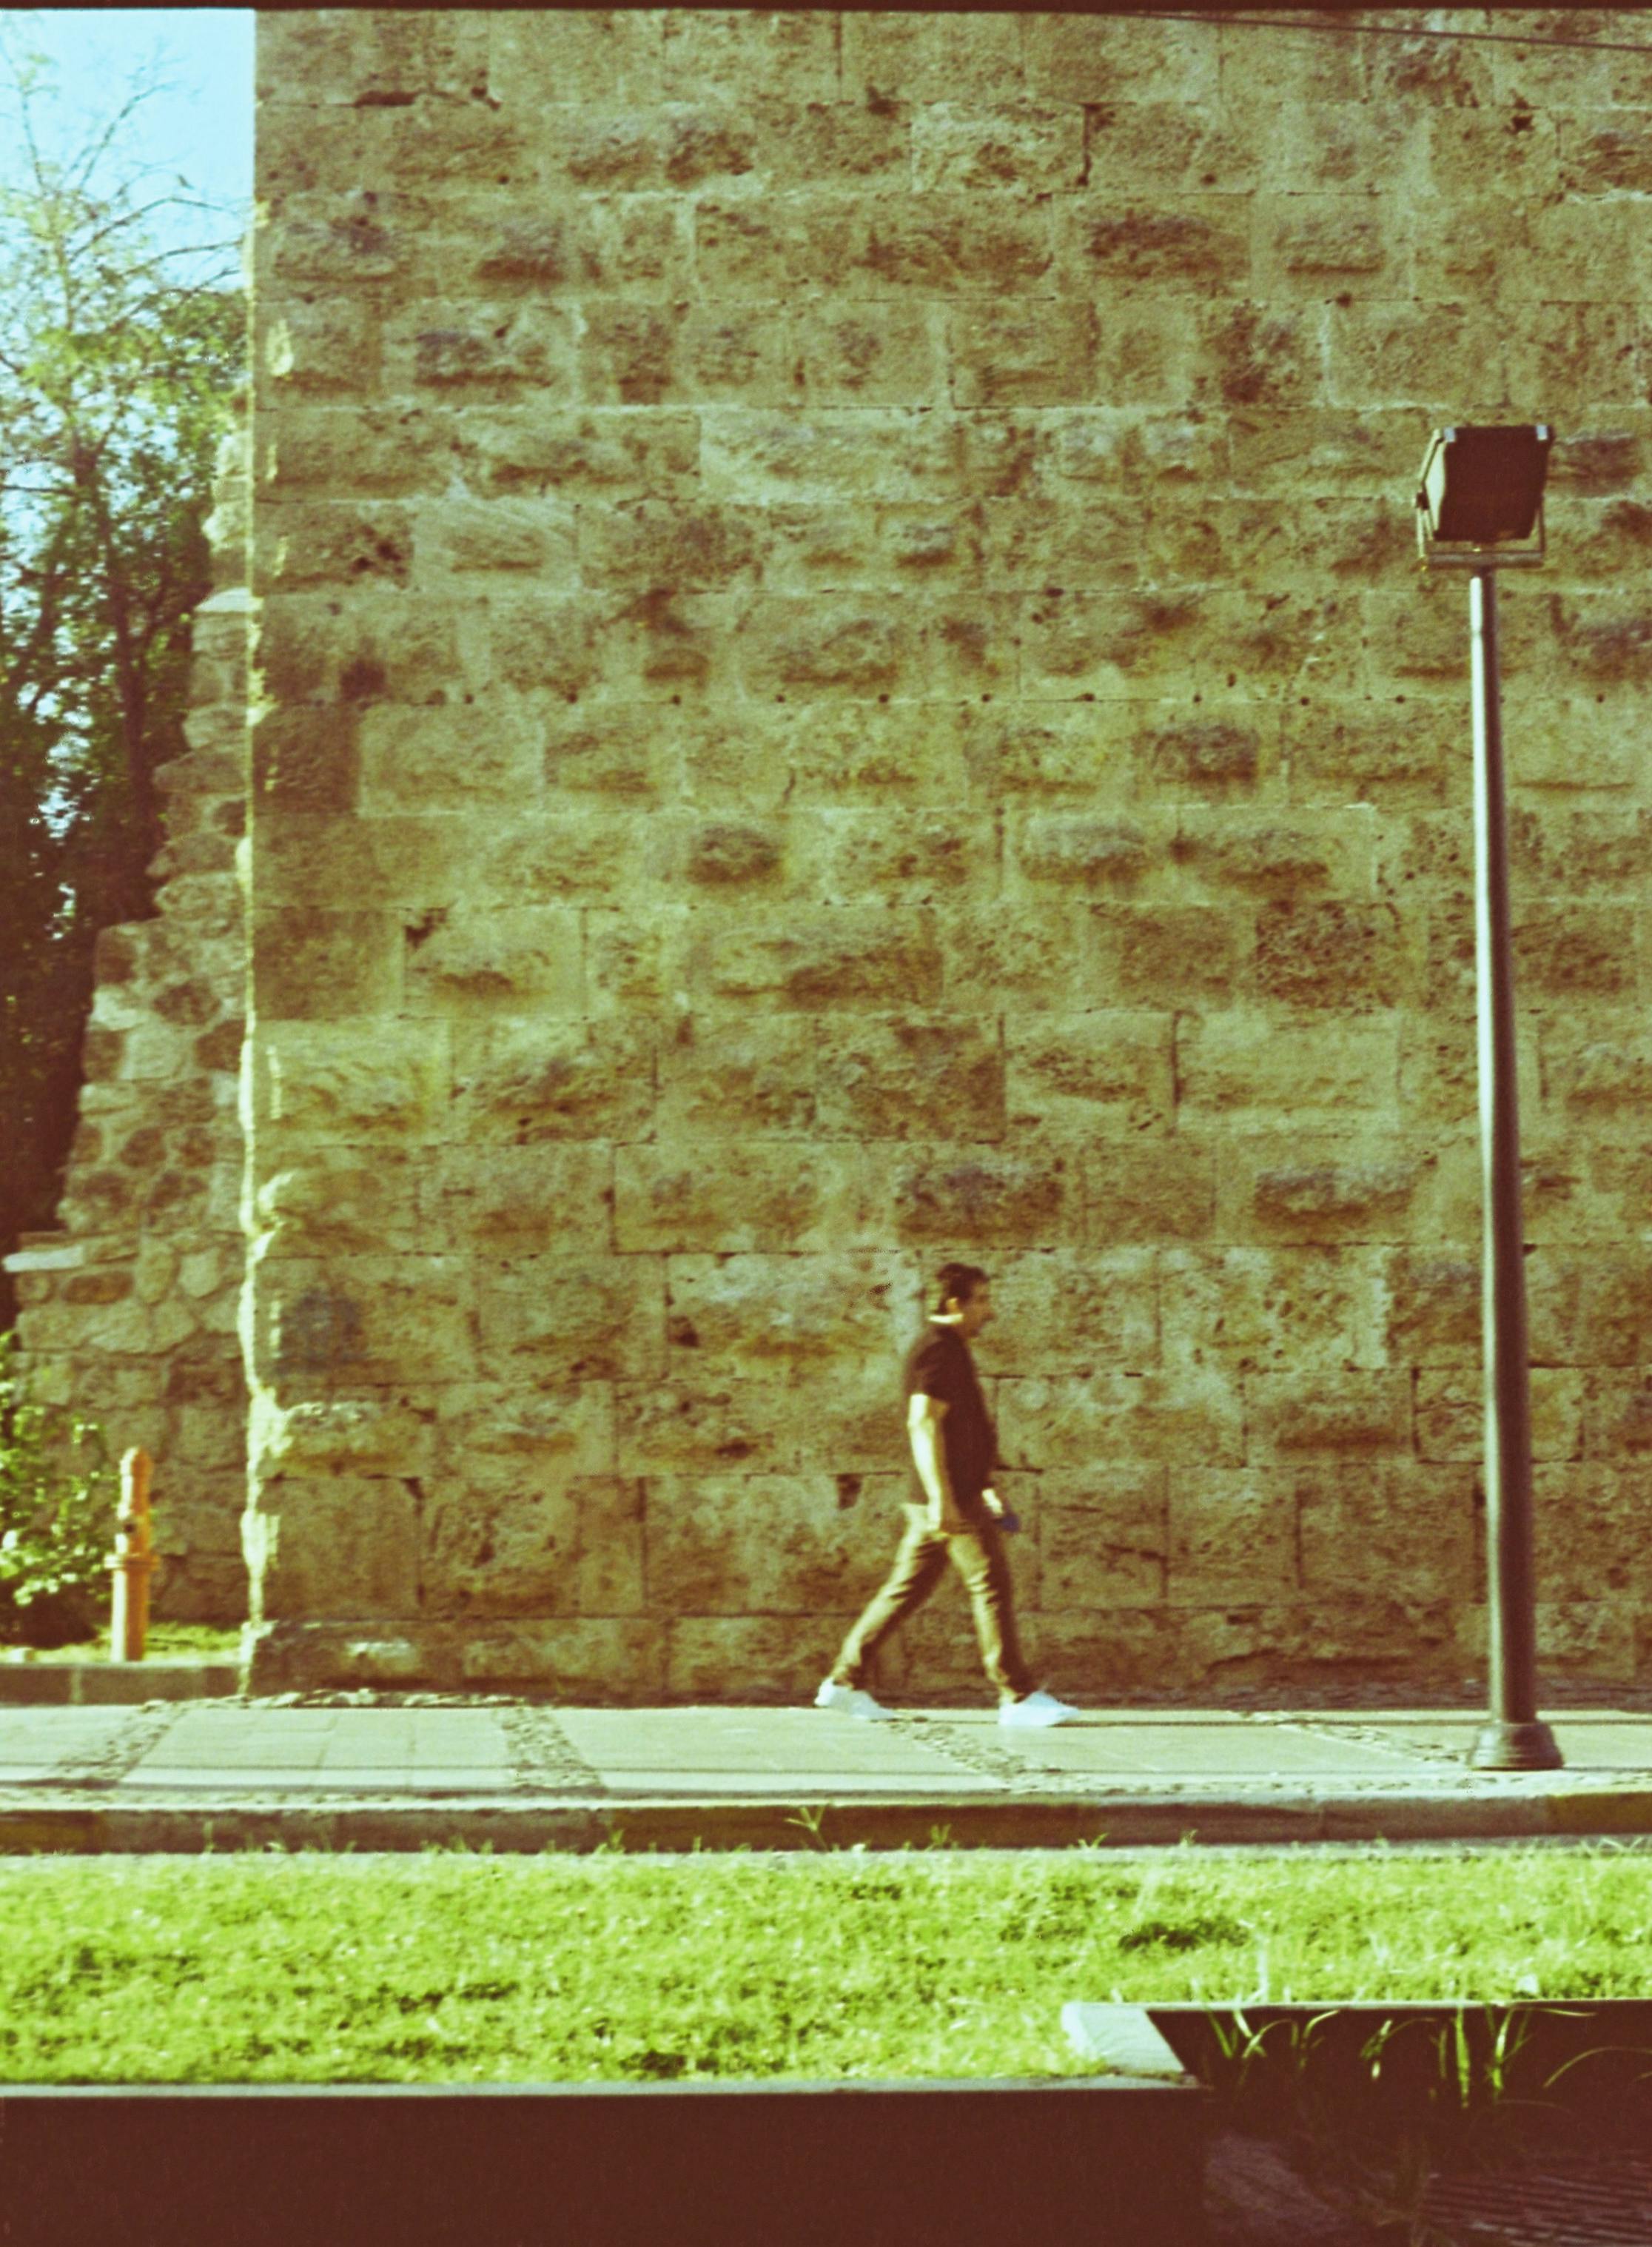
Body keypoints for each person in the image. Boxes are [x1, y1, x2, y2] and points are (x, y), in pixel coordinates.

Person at [815, 1261, 1078, 1727]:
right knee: (991, 1587)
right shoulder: (937, 1350)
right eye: (982, 1300)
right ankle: (1016, 1696)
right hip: (948, 1500)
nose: (989, 1312)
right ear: (954, 1303)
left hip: (952, 1496)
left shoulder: (949, 1349)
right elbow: (923, 1423)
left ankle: (843, 1682)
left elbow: (964, 1434)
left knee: (904, 1591)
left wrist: (988, 1488)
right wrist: (943, 1499)